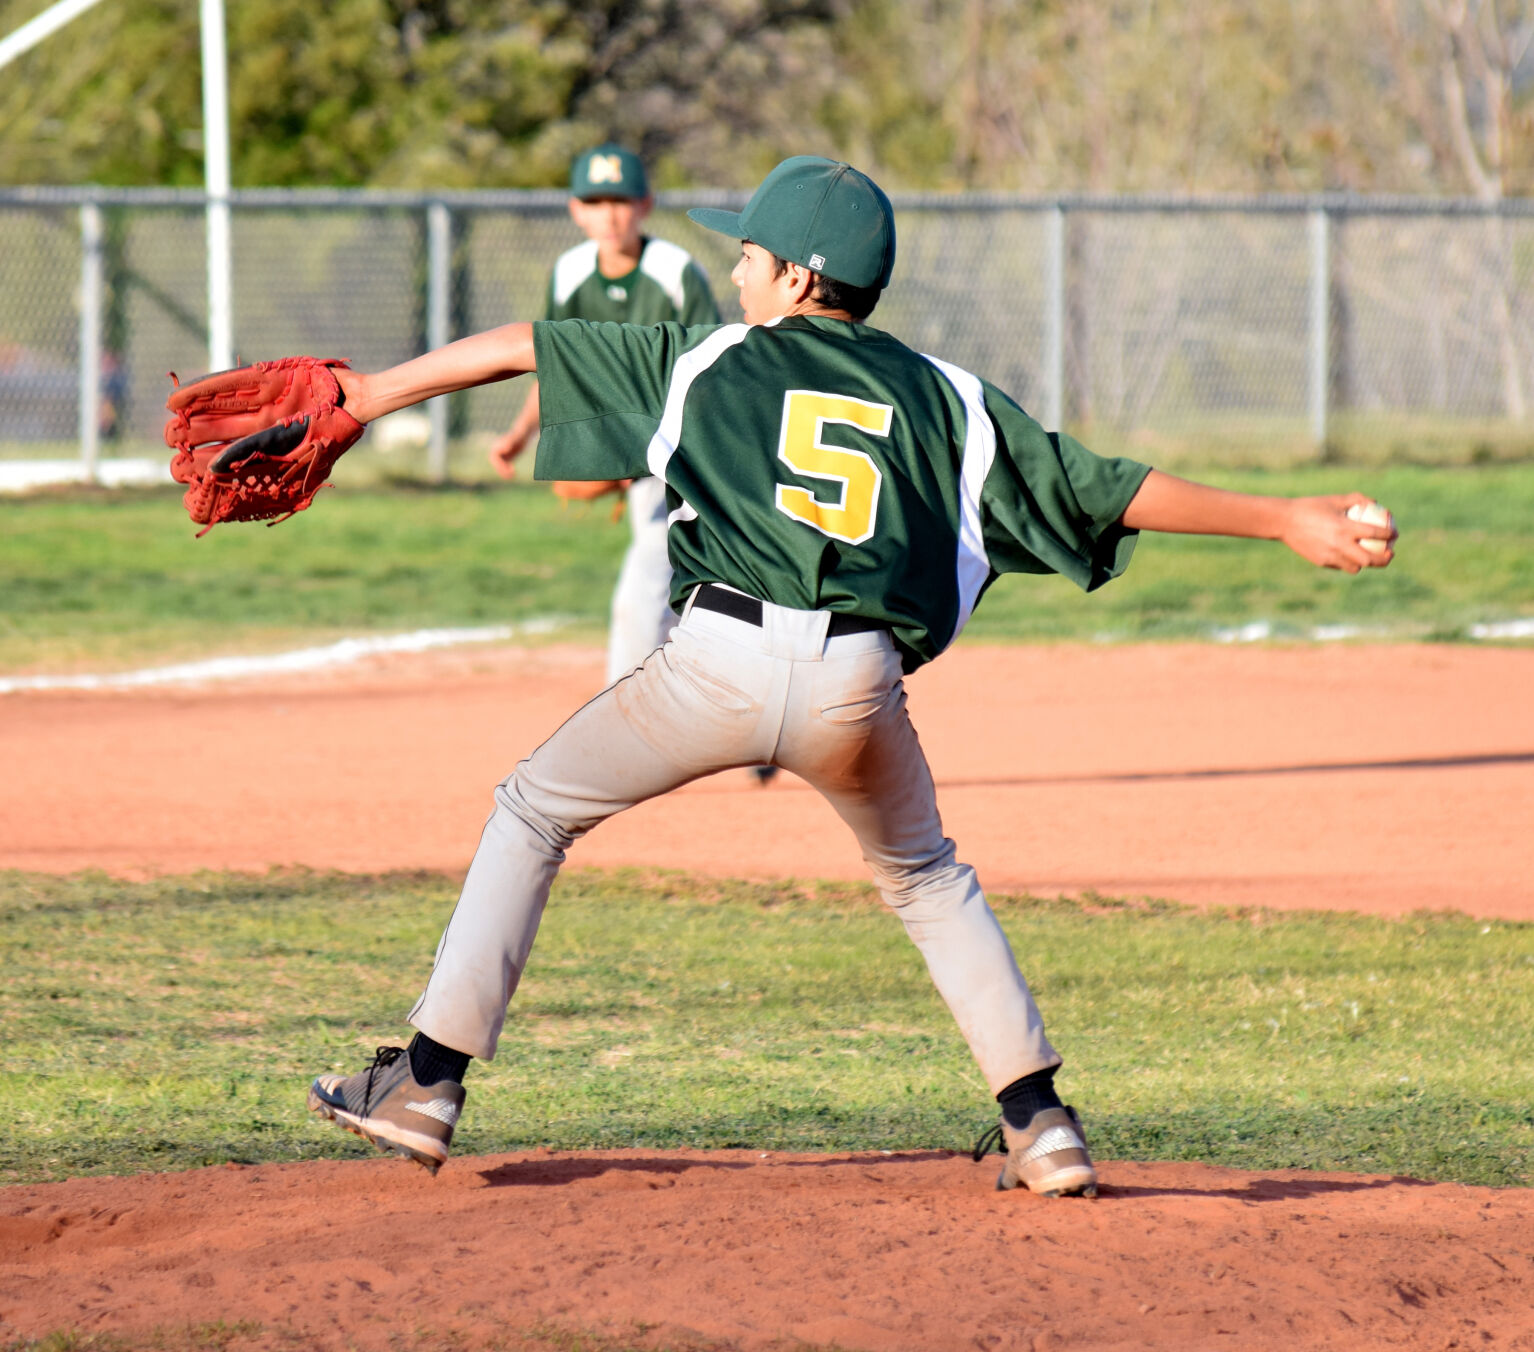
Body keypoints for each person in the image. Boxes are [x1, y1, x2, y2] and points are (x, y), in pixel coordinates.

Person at [307, 156, 1395, 1198]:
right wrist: (1283, 518)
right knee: (924, 876)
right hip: (857, 684)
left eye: (749, 256)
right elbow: (1102, 485)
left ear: (793, 276)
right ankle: (1041, 1122)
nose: (736, 272)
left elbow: (517, 350)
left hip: (713, 665)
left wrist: (368, 397)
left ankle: (427, 1082)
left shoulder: (705, 359)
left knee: (534, 808)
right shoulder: (947, 397)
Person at [489, 144, 722, 687]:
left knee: (643, 595)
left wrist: (641, 448)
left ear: (645, 204)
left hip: (680, 457)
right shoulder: (570, 273)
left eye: (620, 200)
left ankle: (624, 715)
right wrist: (519, 436)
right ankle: (740, 718)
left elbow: (711, 371)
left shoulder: (674, 272)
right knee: (683, 591)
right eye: (595, 201)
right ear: (575, 210)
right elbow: (551, 367)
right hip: (636, 455)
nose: (609, 214)